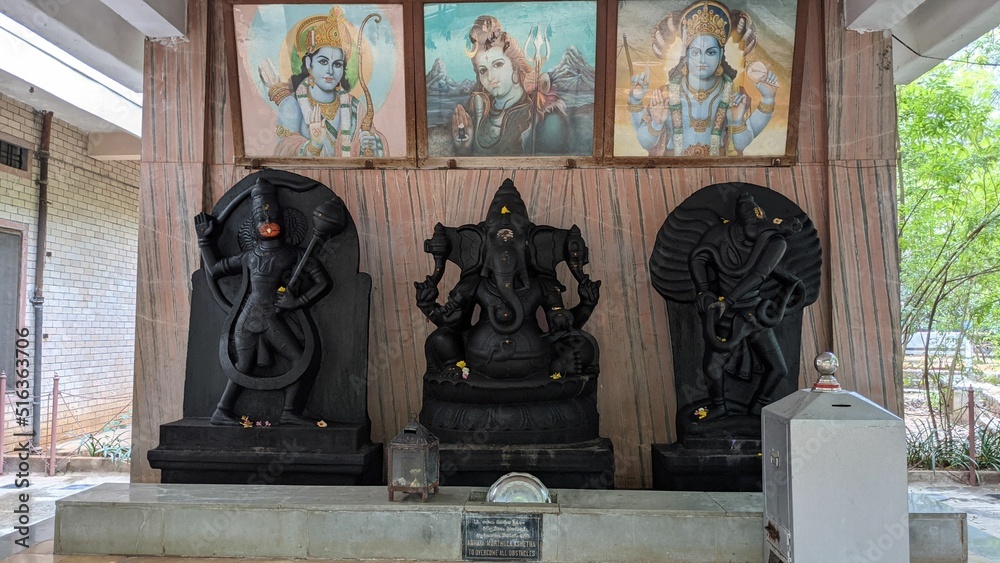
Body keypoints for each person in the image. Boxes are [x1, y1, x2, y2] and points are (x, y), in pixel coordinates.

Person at [195, 179, 333, 425]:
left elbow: (323, 282)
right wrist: (206, 241)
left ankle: (289, 411)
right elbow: (216, 269)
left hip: (272, 316)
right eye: (261, 219)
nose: (268, 223)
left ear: (283, 220)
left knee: (301, 361)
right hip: (249, 317)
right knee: (244, 365)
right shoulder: (250, 256)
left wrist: (296, 301)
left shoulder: (294, 255)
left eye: (272, 217)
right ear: (253, 225)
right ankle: (222, 411)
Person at [688, 193, 804, 420]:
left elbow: (760, 274)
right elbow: (698, 257)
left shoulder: (775, 242)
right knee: (712, 368)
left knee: (779, 369)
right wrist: (704, 289)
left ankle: (758, 407)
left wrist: (729, 301)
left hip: (754, 312)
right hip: (724, 314)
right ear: (738, 226)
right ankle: (719, 405)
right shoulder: (720, 235)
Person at [627, 0, 779, 157]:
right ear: (685, 55)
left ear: (720, 54)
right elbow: (645, 142)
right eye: (695, 52)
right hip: (672, 169)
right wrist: (656, 123)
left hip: (718, 171)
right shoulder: (665, 94)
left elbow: (742, 143)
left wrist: (766, 100)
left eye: (710, 52)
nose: (702, 60)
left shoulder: (734, 93)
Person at [258, 6, 386, 157]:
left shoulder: (355, 108)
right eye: (323, 62)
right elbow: (282, 151)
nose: (330, 71)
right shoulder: (292, 105)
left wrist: (372, 143)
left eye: (337, 64)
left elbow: (372, 149)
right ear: (308, 63)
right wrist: (314, 145)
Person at [452, 15, 567, 156]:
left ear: (515, 66)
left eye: (498, 64)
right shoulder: (477, 113)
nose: (490, 77)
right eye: (483, 70)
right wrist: (464, 148)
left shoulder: (545, 116)